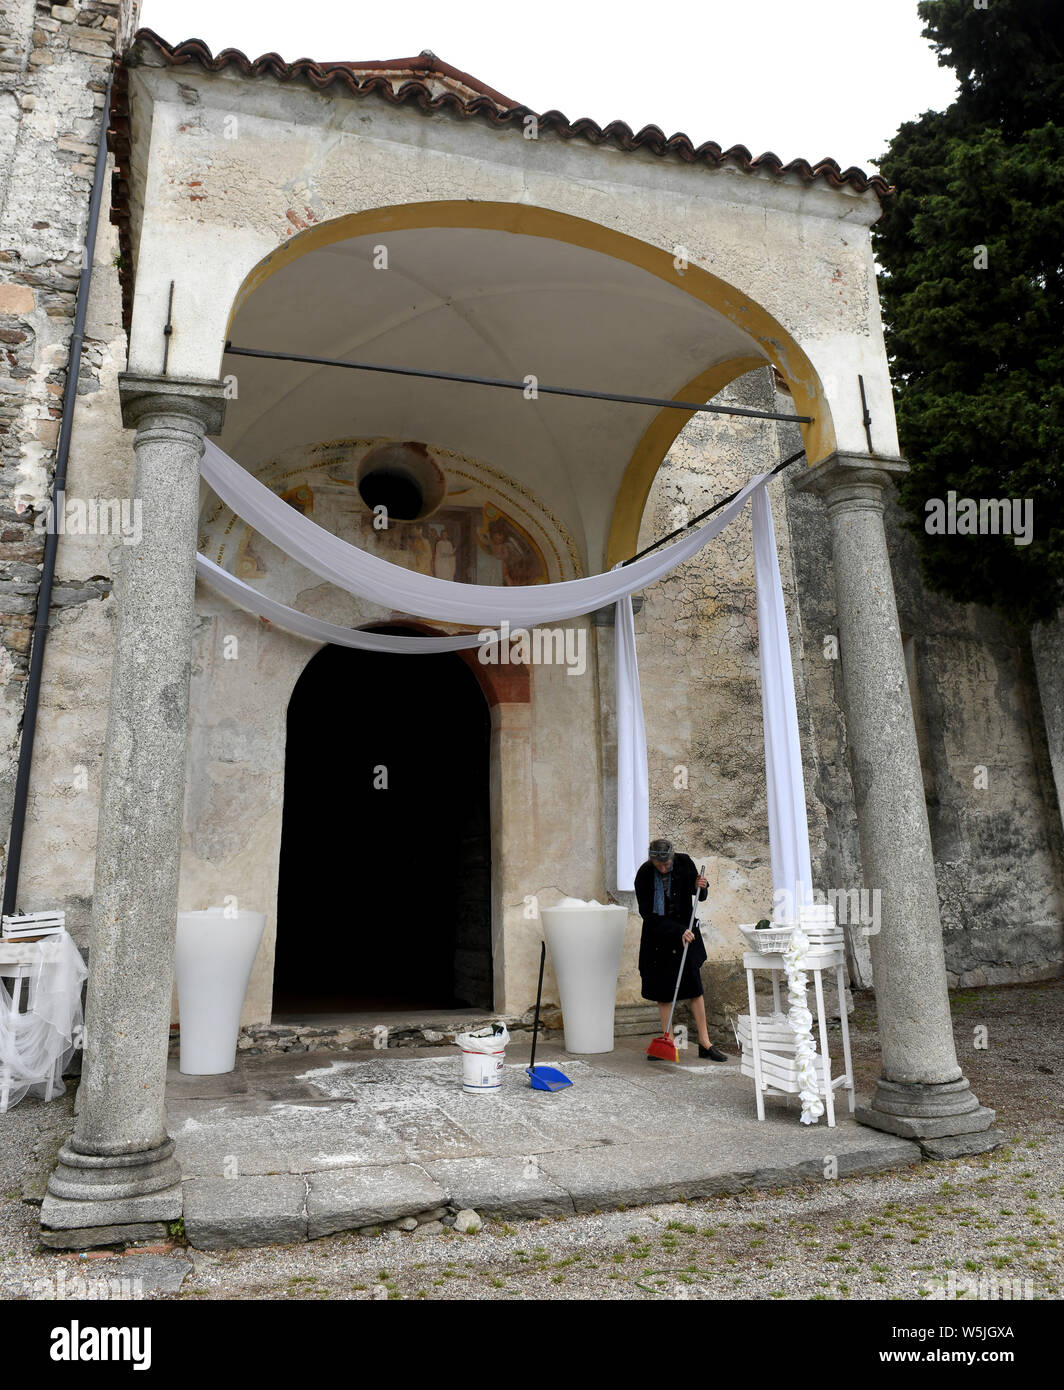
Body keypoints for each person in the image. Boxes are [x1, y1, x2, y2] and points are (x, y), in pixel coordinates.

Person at [635, 837, 728, 1061]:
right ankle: (666, 1039)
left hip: (687, 936)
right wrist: (676, 931)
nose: (664, 868)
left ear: (672, 857)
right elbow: (648, 915)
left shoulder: (685, 863)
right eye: (660, 865)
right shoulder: (645, 874)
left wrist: (702, 887)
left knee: (694, 988)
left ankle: (705, 1044)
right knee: (663, 992)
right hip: (659, 938)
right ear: (652, 861)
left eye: (667, 864)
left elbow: (699, 896)